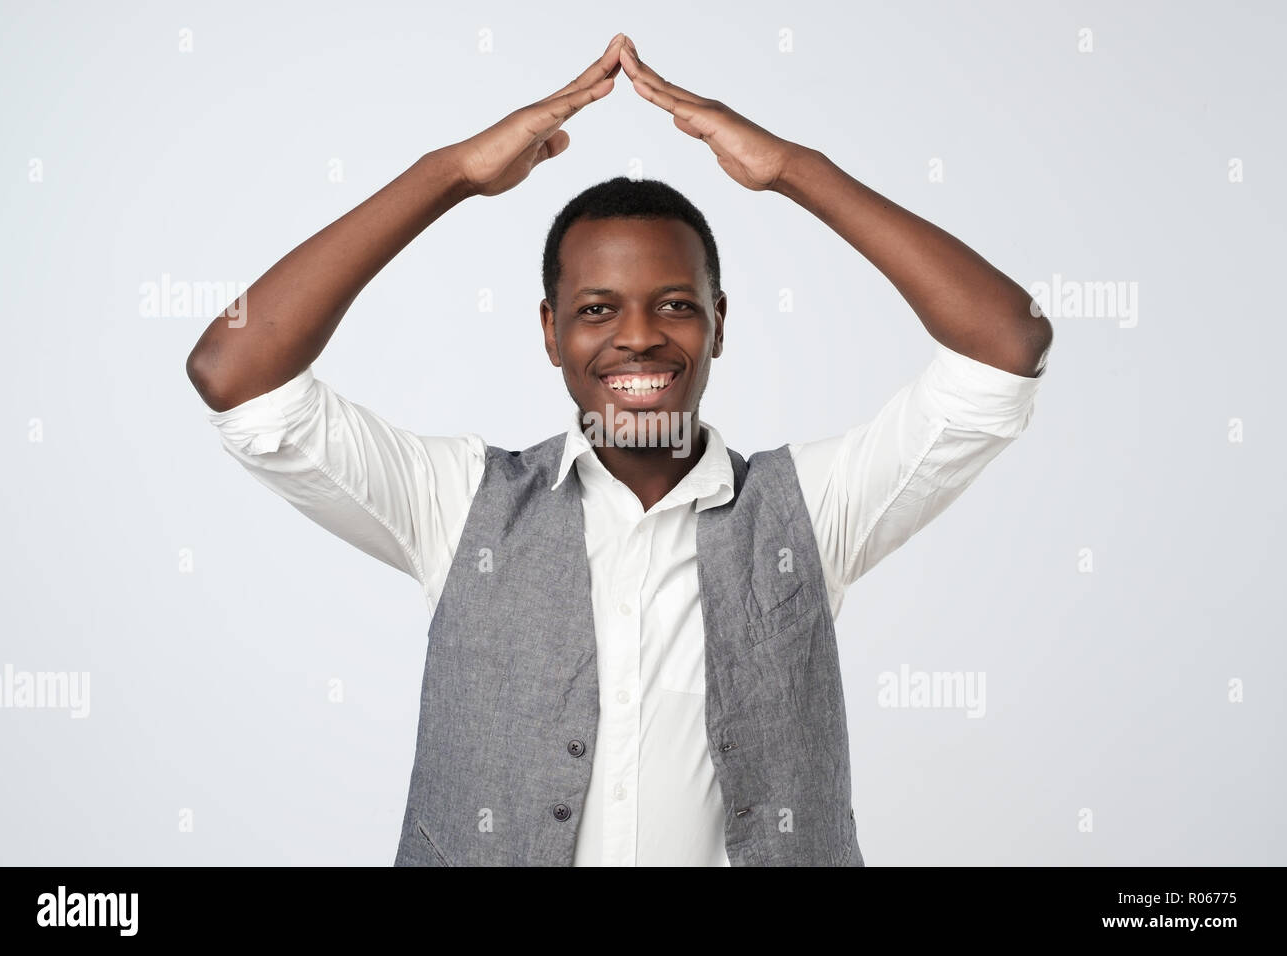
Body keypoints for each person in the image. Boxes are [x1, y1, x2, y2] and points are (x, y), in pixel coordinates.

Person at [186, 32, 1053, 867]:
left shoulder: (812, 508)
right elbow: (238, 373)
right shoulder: (457, 503)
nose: (637, 338)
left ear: (720, 326)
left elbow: (1005, 345)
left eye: (675, 304)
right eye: (597, 309)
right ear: (550, 331)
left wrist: (795, 170)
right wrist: (447, 174)